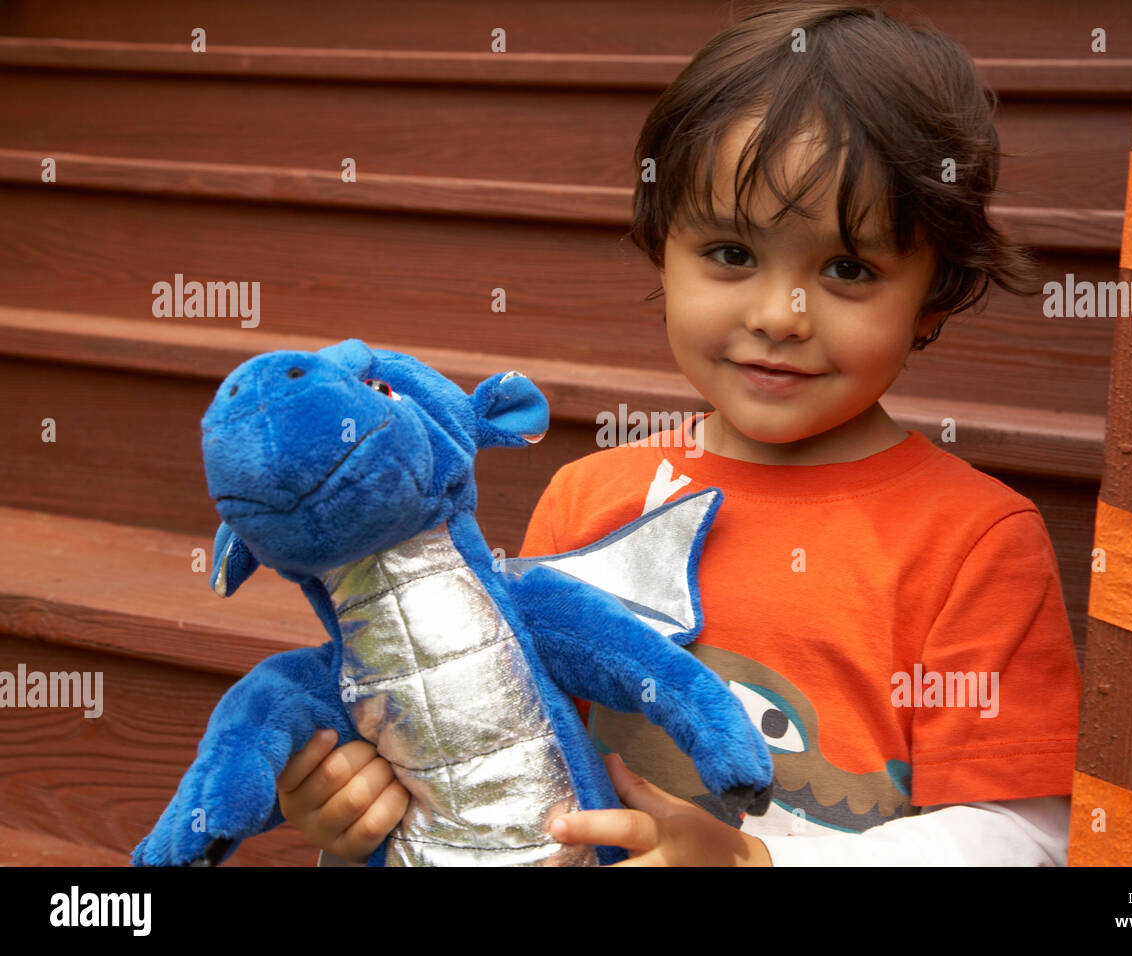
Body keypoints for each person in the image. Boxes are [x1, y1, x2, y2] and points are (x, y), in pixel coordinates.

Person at [276, 2, 1082, 866]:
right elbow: (503, 746)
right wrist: (367, 815)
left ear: (933, 296)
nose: (780, 315)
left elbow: (1022, 838)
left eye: (848, 269)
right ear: (663, 247)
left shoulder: (974, 541)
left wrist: (757, 864)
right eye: (732, 254)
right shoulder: (588, 496)